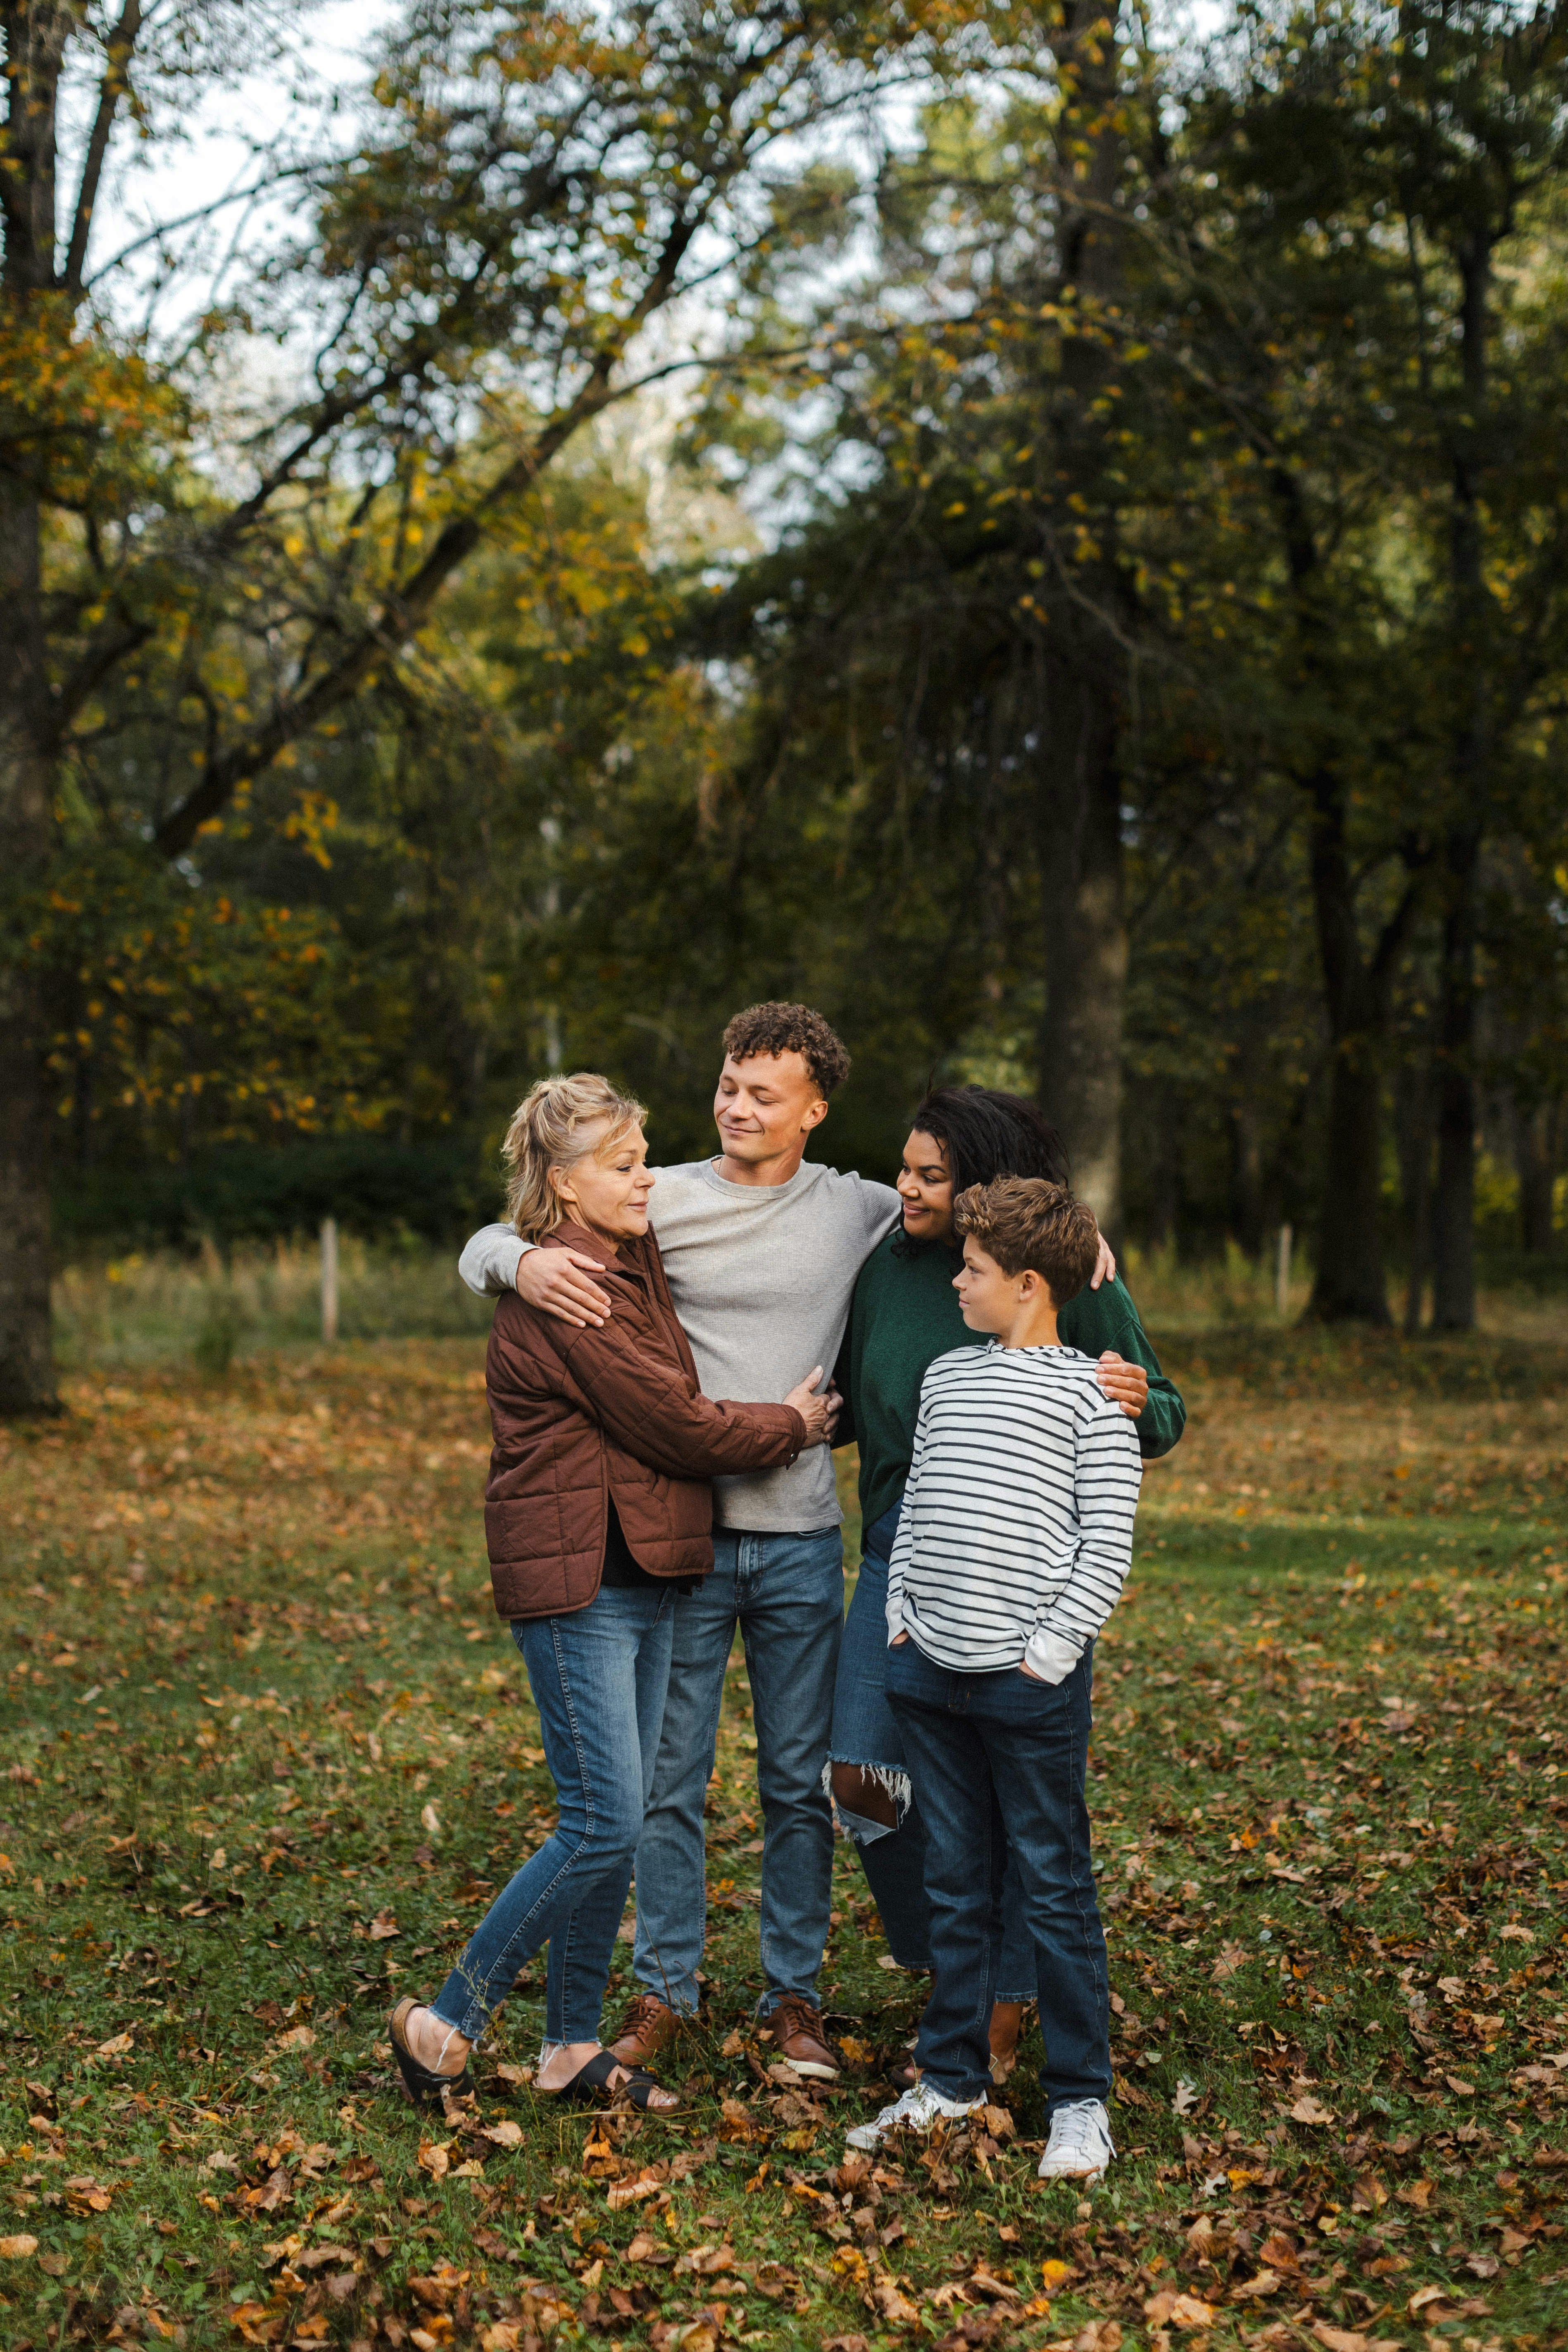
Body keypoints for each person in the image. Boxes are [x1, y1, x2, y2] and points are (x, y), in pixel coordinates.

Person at [457, 1006, 900, 2079]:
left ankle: (791, 1996)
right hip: (679, 1538)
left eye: (764, 1092)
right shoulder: (661, 1196)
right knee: (661, 1784)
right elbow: (521, 1225)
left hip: (799, 1537)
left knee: (799, 1782)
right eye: (728, 1085)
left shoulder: (860, 1209)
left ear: (814, 1107)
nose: (738, 1107)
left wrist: (1085, 1237)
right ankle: (662, 1988)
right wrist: (504, 1257)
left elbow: (969, 1205)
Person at [389, 1071, 835, 2113]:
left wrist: (506, 1248)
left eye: (645, 1159)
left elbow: (501, 1248)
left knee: (621, 1817)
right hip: (580, 1579)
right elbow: (674, 1422)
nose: (647, 1180)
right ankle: (449, 2018)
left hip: (639, 1571)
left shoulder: (616, 1254)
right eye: (624, 1166)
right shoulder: (571, 1290)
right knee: (600, 1822)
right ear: (562, 1180)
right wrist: (791, 1426)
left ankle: (569, 2046)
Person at [829, 1087, 1183, 2083]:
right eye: (903, 1167)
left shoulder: (1068, 1272)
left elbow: (1158, 1410)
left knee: (1009, 1802)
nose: (904, 1186)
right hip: (900, 1556)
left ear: (982, 1187)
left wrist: (1130, 1394)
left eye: (928, 1175)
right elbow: (859, 1400)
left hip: (1022, 1560)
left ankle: (1000, 2000)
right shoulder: (890, 1272)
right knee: (861, 1781)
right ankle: (956, 1963)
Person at [846, 1178, 1139, 2185]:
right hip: (926, 1672)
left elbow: (1103, 1547)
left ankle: (1077, 2101)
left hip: (1026, 1686)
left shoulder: (1093, 1400)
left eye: (970, 1272)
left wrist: (1048, 1653)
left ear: (1024, 1284)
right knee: (954, 1883)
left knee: (1052, 1885)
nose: (954, 1283)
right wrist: (898, 1622)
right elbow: (920, 1500)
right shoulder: (947, 1378)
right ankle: (949, 2079)